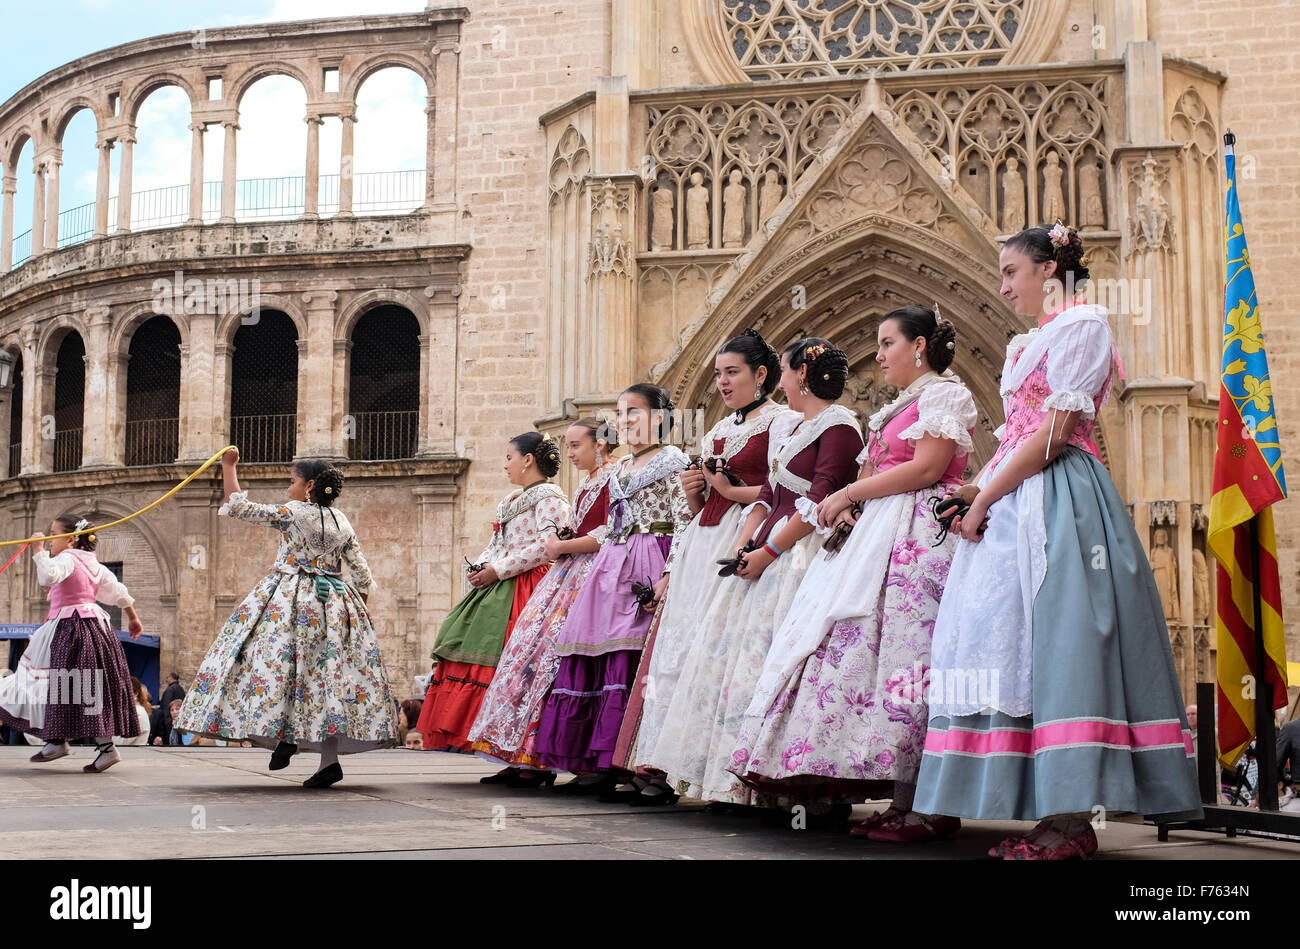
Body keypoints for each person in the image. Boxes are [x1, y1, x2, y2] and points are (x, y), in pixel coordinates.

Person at [913, 223, 1202, 857]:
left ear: (1049, 270)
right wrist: (978, 490)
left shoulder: (1084, 325)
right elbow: (1018, 438)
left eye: (1011, 272)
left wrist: (986, 495)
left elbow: (1054, 433)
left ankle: (1074, 823)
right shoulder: (1033, 341)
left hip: (1061, 500)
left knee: (1063, 641)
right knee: (1008, 640)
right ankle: (1051, 812)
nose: (1003, 285)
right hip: (1019, 495)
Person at [730, 306, 977, 837]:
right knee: (866, 653)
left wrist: (846, 493)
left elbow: (928, 468)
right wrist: (850, 507)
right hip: (875, 534)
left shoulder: (945, 395)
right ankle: (903, 795)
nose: (879, 354)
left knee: (912, 656)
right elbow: (874, 469)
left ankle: (932, 805)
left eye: (888, 343)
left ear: (919, 347)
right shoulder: (894, 408)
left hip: (920, 533)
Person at [646, 339, 862, 808]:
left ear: (801, 375)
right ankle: (744, 783)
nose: (781, 381)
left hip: (800, 552)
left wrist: (768, 551)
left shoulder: (839, 424)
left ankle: (803, 792)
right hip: (766, 543)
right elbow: (768, 494)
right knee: (736, 665)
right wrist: (746, 543)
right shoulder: (796, 430)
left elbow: (820, 497)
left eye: (783, 371)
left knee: (787, 666)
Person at [623, 329, 793, 805]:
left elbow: (780, 494)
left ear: (761, 375)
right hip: (703, 541)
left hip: (748, 533)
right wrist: (695, 489)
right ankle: (665, 766)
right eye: (718, 374)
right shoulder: (718, 429)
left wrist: (726, 489)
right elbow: (698, 507)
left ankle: (729, 776)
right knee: (680, 653)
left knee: (720, 654)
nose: (721, 382)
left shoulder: (781, 423)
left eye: (732, 372)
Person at [175, 451, 398, 788]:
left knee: (271, 665)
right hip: (336, 602)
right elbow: (362, 574)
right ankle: (325, 759)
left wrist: (229, 467)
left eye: (292, 481)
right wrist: (359, 611)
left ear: (309, 485)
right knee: (325, 682)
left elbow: (239, 506)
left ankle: (287, 738)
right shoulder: (342, 520)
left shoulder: (293, 513)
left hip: (290, 599)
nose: (288, 487)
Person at [536, 384, 692, 793]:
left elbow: (684, 521)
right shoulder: (620, 469)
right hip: (613, 564)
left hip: (652, 557)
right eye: (620, 415)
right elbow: (614, 524)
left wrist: (670, 573)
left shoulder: (673, 461)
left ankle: (642, 765)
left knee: (637, 658)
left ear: (659, 417)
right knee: (600, 655)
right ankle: (602, 763)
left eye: (634, 413)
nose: (625, 422)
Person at [468, 418, 619, 785]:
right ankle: (520, 754)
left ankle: (545, 759)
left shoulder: (611, 479)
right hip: (565, 575)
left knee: (553, 662)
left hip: (588, 576)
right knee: (527, 661)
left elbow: (614, 529)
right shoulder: (585, 483)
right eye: (566, 446)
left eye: (575, 446)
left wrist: (562, 544)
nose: (568, 454)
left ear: (599, 445)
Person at [418, 433, 570, 752]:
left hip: (530, 587)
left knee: (522, 665)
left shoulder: (550, 499)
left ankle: (524, 754)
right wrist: (483, 564)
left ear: (528, 460)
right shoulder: (512, 500)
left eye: (509, 458)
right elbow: (497, 543)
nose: (505, 465)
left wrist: (498, 570)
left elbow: (546, 547)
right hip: (498, 587)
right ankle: (499, 749)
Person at [0, 516, 143, 772]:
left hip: (72, 628)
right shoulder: (93, 563)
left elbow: (47, 576)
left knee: (56, 683)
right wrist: (133, 618)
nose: (48, 538)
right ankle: (74, 743)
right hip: (94, 628)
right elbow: (117, 592)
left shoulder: (66, 558)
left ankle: (61, 742)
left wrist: (38, 551)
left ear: (70, 539)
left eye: (52, 534)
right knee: (80, 688)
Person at [117, 676, 153, 747]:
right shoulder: (129, 711)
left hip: (133, 756)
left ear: (136, 693)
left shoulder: (137, 713)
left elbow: (122, 742)